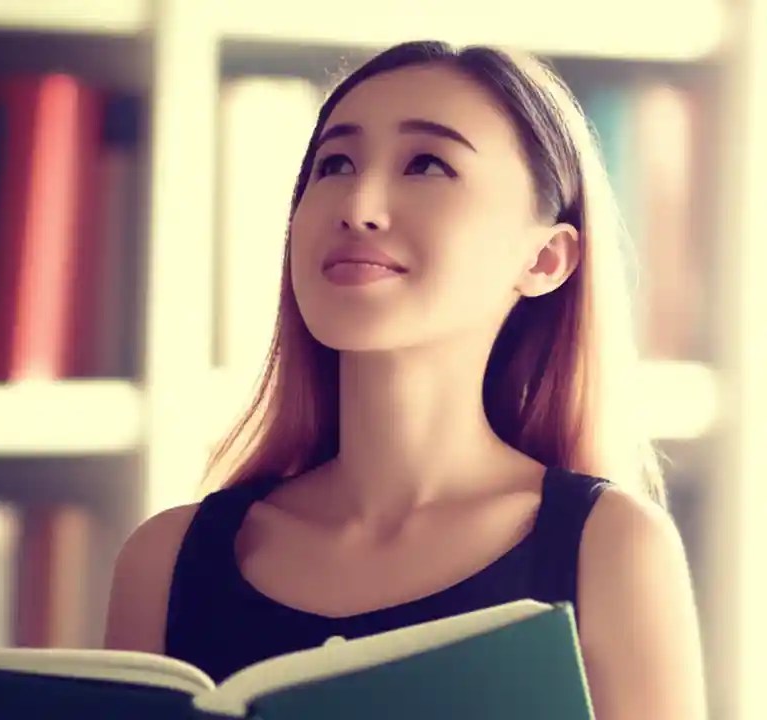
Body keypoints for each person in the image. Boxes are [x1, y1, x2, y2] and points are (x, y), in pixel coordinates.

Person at [104, 40, 707, 720]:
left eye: (427, 164)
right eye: (334, 164)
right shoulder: (164, 561)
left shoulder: (614, 548)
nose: (357, 204)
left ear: (544, 258)